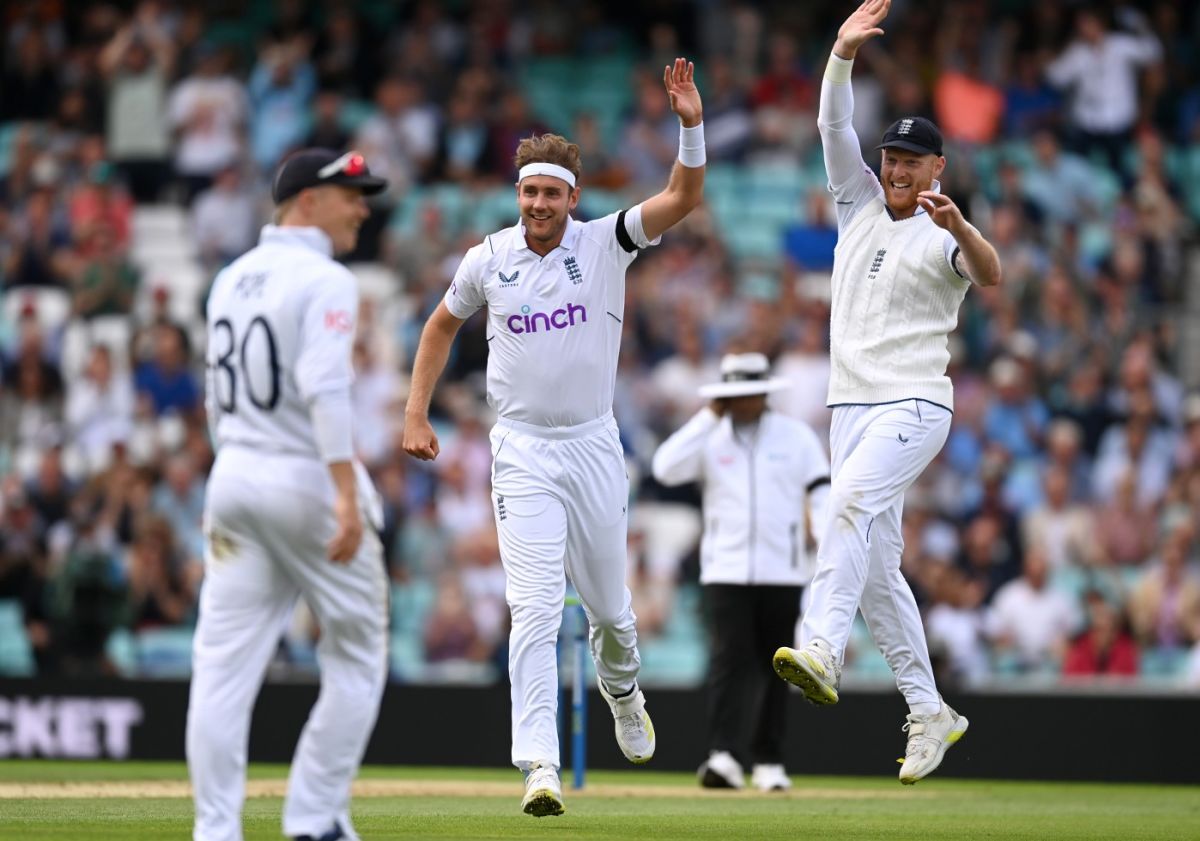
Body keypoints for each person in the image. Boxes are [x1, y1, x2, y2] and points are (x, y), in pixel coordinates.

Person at [402, 58, 706, 817]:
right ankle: (538, 763)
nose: (538, 203)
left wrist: (690, 125)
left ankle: (623, 690)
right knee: (534, 608)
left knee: (610, 611)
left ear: (573, 197)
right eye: (528, 191)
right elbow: (441, 324)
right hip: (523, 449)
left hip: (593, 445)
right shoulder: (489, 258)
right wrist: (415, 411)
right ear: (519, 195)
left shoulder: (606, 242)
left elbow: (683, 196)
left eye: (551, 192)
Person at [771, 0, 1001, 786]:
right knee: (875, 570)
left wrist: (962, 226)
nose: (898, 170)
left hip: (914, 403)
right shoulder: (858, 204)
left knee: (846, 505)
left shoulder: (944, 230)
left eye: (912, 160)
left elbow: (991, 273)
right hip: (851, 405)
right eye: (891, 158)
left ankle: (821, 648)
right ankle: (929, 706)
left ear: (937, 168)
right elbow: (832, 130)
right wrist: (839, 54)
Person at [187, 148, 389, 841]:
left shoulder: (228, 278)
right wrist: (343, 492)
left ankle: (215, 830)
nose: (363, 206)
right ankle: (313, 819)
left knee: (220, 668)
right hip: (304, 476)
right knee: (359, 651)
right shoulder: (327, 279)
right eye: (351, 194)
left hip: (236, 473)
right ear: (308, 200)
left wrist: (234, 471)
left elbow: (216, 401)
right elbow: (325, 388)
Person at [651, 352, 829, 792]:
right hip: (724, 569)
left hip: (783, 570)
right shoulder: (710, 437)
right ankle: (724, 756)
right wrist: (707, 418)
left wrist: (826, 546)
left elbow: (822, 492)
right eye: (734, 396)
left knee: (777, 667)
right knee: (729, 663)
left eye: (750, 395)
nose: (744, 403)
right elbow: (664, 468)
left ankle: (769, 761)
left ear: (765, 394)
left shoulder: (795, 437)